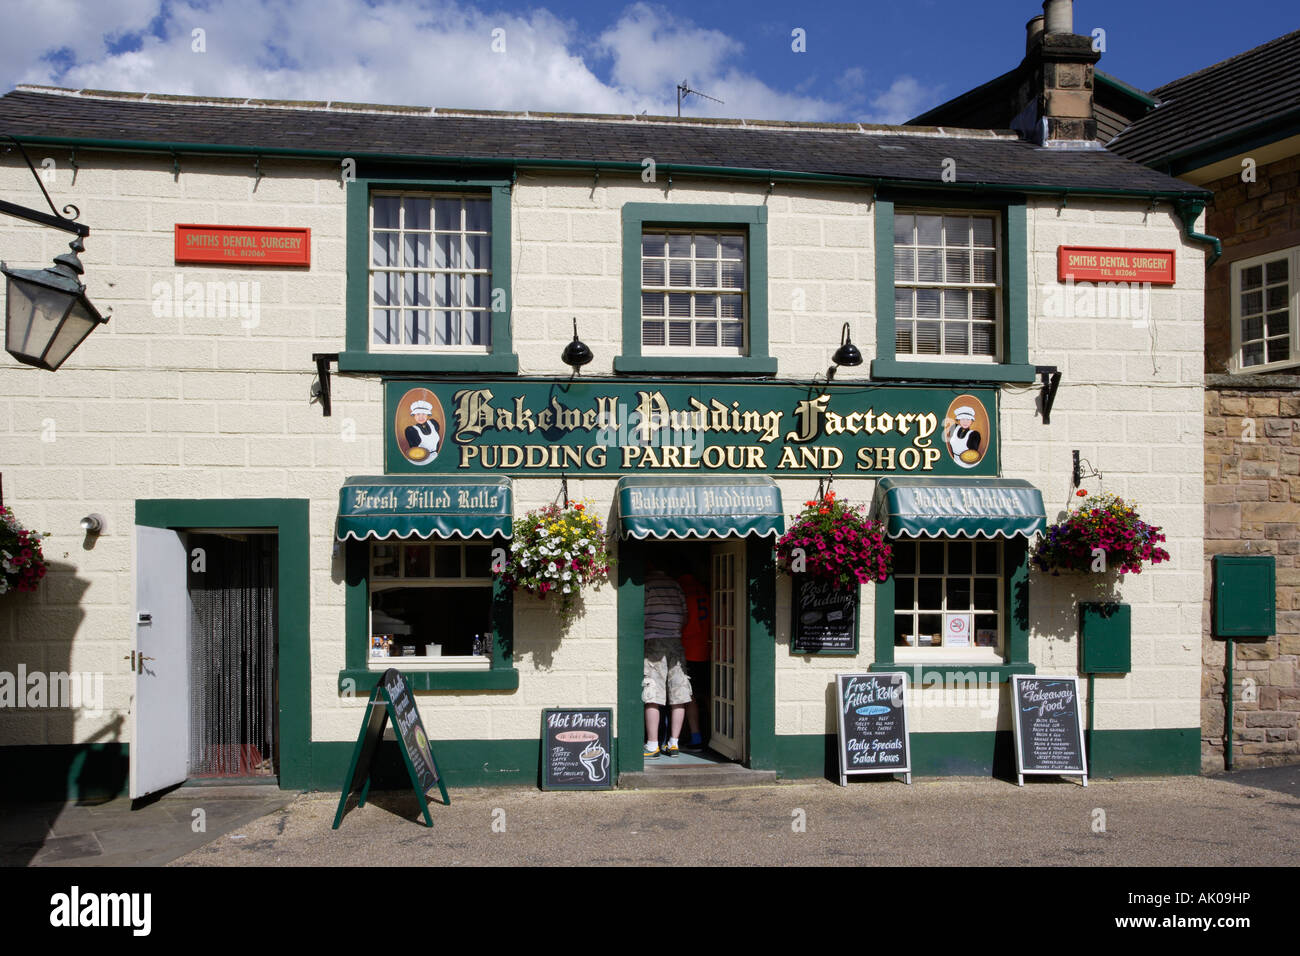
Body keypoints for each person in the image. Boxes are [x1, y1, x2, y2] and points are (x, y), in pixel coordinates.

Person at [643, 555, 690, 758]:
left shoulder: (646, 585)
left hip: (653, 641)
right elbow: (685, 615)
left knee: (652, 692)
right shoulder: (675, 585)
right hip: (676, 641)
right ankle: (674, 743)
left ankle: (652, 745)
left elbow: (639, 614)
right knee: (679, 691)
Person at [677, 567, 710, 752]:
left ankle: (696, 736)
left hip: (688, 648)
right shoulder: (704, 588)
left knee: (689, 696)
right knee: (709, 695)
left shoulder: (681, 588)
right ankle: (715, 734)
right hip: (709, 647)